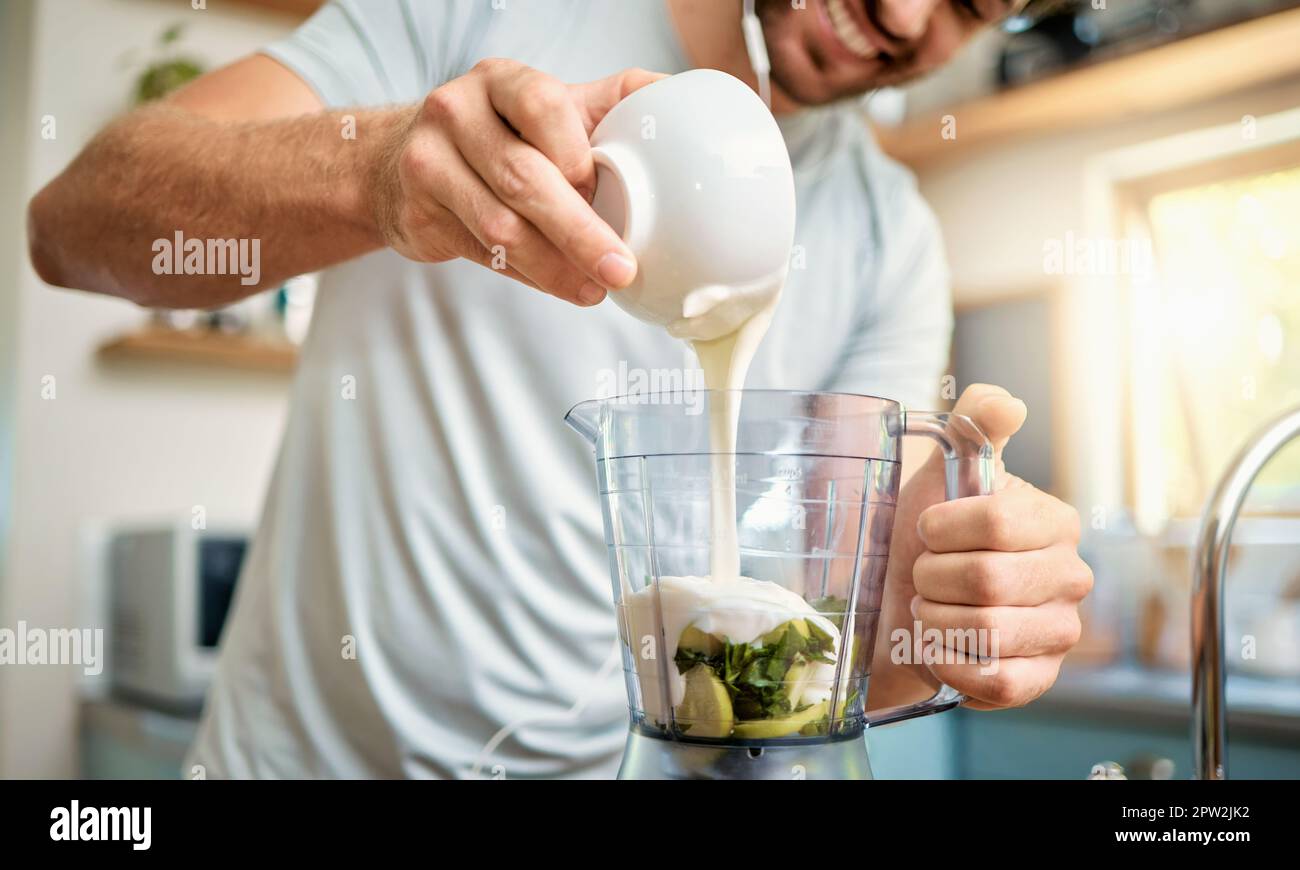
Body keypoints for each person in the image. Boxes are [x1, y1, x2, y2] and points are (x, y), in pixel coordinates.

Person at [27, 0, 1091, 778]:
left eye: (969, 6)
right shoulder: (481, 15)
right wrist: (377, 172)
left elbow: (855, 633)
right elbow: (74, 224)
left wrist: (972, 613)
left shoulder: (891, 237)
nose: (904, 16)